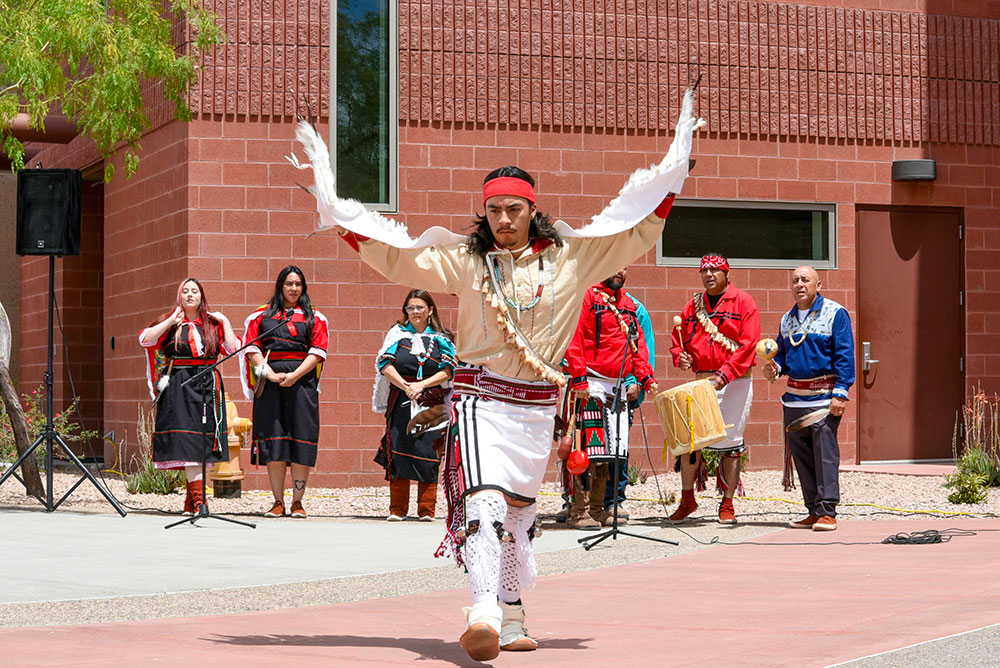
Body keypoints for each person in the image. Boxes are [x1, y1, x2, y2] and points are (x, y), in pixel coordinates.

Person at [290, 88, 702, 661]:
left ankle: (511, 616)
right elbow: (398, 256)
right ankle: (482, 609)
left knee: (518, 512)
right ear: (482, 213)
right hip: (480, 400)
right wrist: (341, 219)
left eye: (514, 209)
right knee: (483, 502)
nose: (503, 220)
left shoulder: (571, 258)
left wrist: (670, 183)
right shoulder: (465, 258)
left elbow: (634, 231)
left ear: (533, 209)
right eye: (493, 210)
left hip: (537, 408)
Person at [669, 253, 760, 523]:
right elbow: (678, 341)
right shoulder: (692, 306)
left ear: (726, 274)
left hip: (736, 381)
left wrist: (726, 373)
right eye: (704, 271)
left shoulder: (744, 302)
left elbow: (748, 345)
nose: (709, 275)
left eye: (714, 270)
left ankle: (727, 503)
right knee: (689, 442)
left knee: (731, 445)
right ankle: (688, 500)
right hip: (702, 379)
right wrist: (680, 356)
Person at [563, 267, 657, 529]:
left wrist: (644, 377)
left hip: (616, 387)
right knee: (583, 450)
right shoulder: (588, 296)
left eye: (624, 266)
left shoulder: (628, 304)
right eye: (614, 264)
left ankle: (597, 508)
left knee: (609, 454)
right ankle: (578, 510)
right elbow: (575, 335)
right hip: (590, 382)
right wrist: (579, 377)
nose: (619, 270)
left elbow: (637, 347)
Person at [763, 265, 855, 531]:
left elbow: (845, 355)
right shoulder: (787, 320)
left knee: (825, 455)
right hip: (794, 399)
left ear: (818, 284)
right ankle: (813, 510)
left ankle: (828, 511)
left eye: (805, 279)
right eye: (795, 280)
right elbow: (783, 358)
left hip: (824, 397)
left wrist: (841, 393)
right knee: (802, 457)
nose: (800, 284)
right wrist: (775, 368)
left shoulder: (835, 313)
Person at [140, 278, 239, 515]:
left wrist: (225, 321)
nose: (190, 295)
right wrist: (169, 322)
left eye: (194, 291)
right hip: (179, 387)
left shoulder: (212, 324)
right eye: (185, 291)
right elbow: (145, 339)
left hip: (207, 385)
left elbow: (233, 348)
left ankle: (190, 501)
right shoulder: (170, 323)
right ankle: (200, 501)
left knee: (201, 442)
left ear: (201, 296)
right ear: (179, 297)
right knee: (187, 443)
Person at [240, 266, 329, 519]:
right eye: (289, 283)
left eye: (298, 284)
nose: (294, 289)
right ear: (280, 286)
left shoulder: (315, 317)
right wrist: (266, 372)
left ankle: (298, 502)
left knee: (301, 438)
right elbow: (252, 346)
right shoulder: (262, 316)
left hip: (302, 383)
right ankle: (277, 501)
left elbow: (319, 351)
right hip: (270, 383)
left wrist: (295, 375)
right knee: (274, 440)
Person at [373, 289, 457, 521]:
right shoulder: (397, 335)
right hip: (402, 397)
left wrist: (422, 386)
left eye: (420, 307)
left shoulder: (442, 338)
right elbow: (385, 364)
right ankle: (397, 509)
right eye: (411, 308)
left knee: (428, 451)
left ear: (430, 310)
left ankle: (426, 510)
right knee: (399, 448)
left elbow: (448, 370)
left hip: (432, 400)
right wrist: (405, 386)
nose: (415, 312)